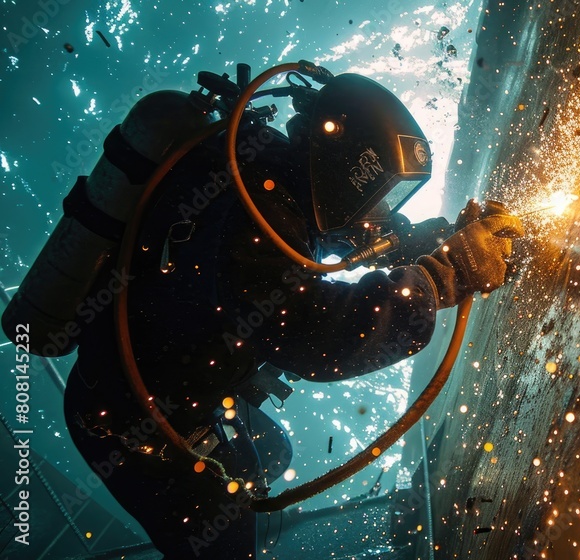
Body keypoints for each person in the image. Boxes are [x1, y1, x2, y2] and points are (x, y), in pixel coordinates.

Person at [49, 72, 522, 558]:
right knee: (225, 545)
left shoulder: (289, 174)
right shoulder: (253, 210)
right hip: (129, 424)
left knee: (272, 455)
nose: (376, 211)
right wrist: (445, 276)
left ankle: (240, 482)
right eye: (375, 194)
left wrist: (440, 239)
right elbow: (313, 334)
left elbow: (360, 230)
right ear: (341, 165)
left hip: (192, 382)